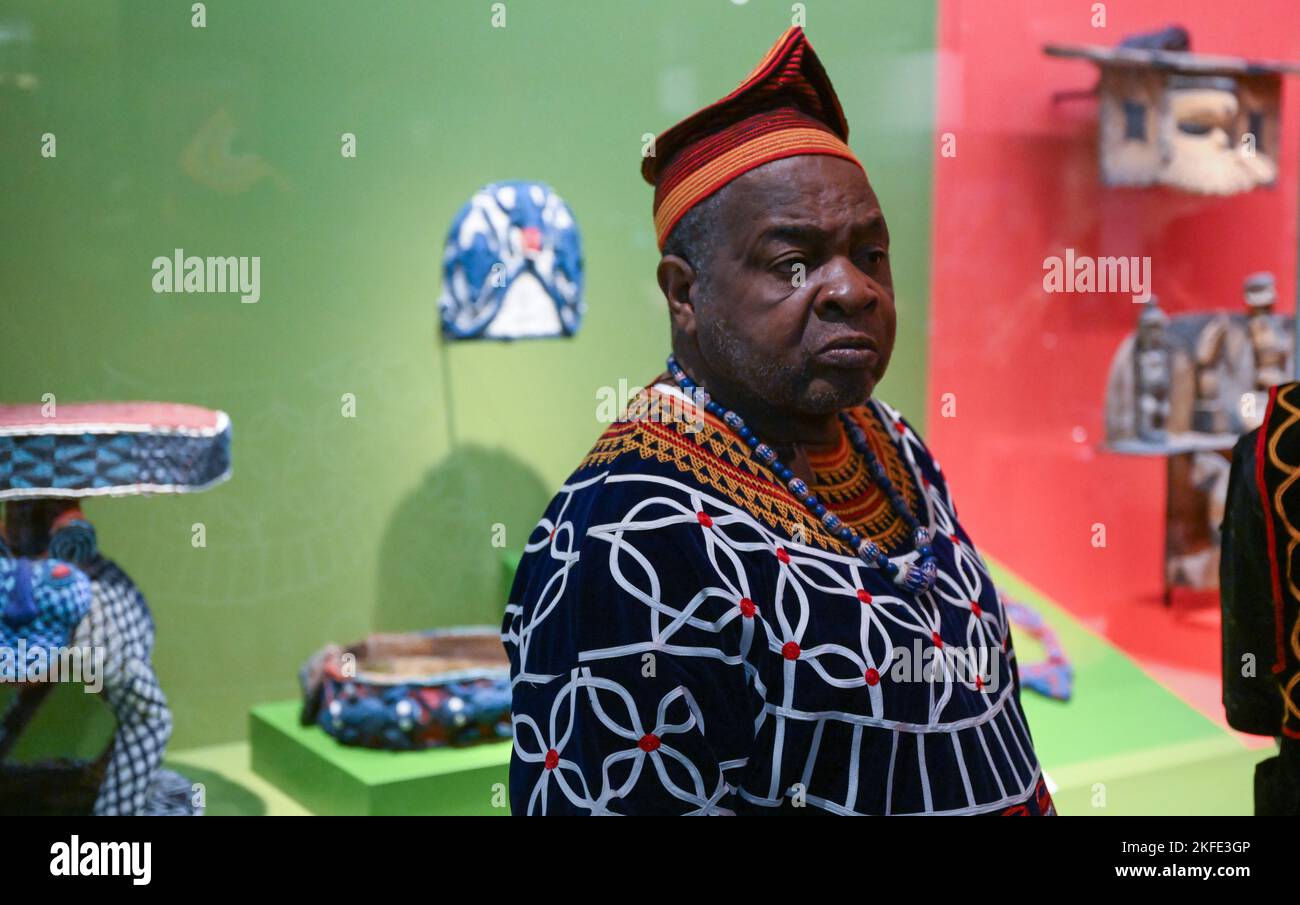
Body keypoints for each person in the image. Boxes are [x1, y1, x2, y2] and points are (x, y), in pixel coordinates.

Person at [502, 26, 1050, 815]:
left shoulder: (890, 444)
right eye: (795, 262)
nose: (852, 290)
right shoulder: (629, 537)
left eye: (870, 254)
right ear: (683, 293)